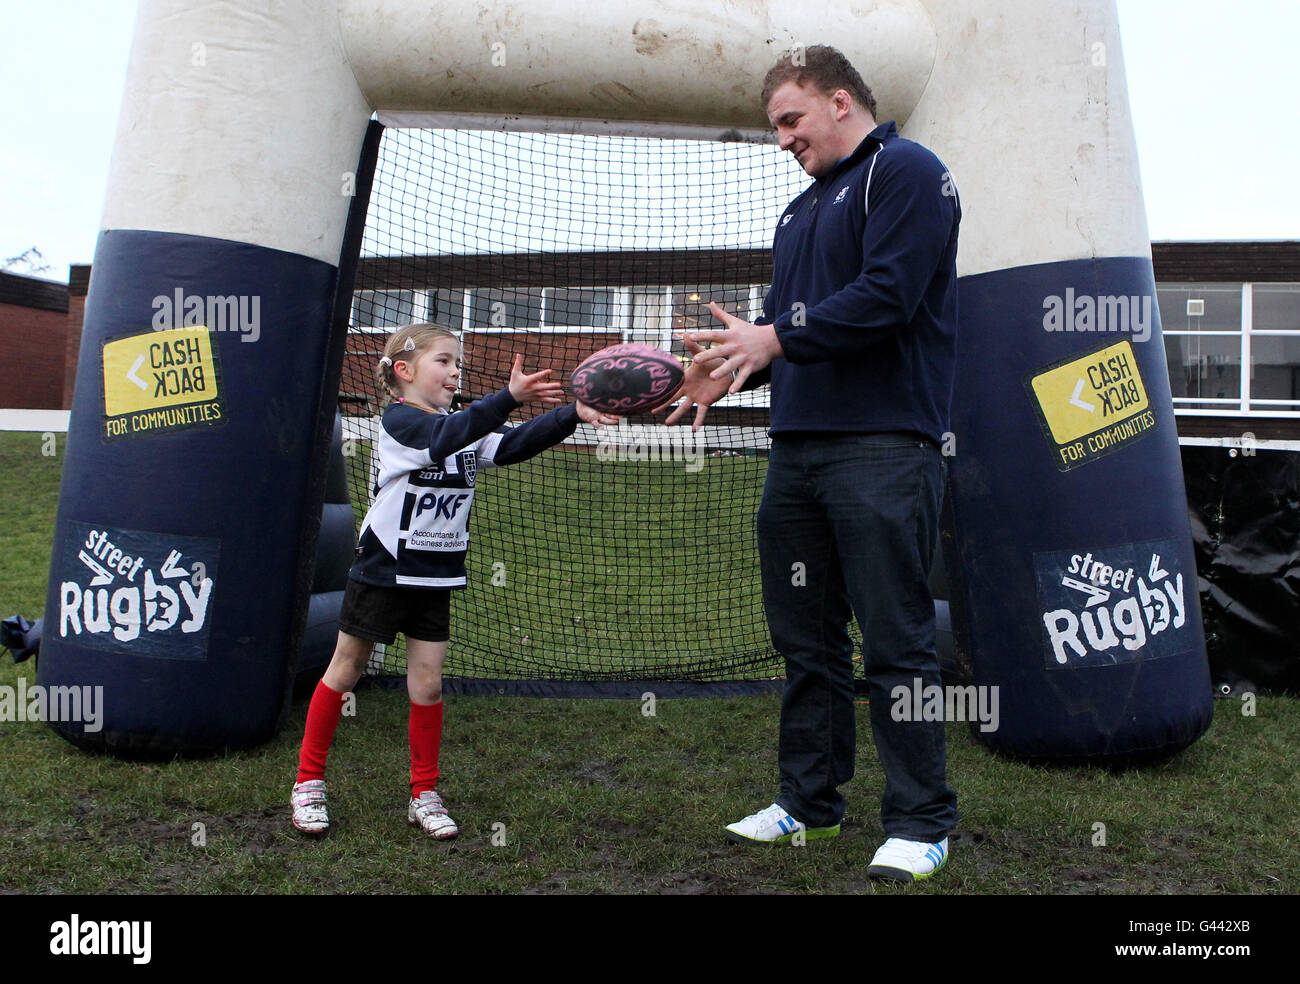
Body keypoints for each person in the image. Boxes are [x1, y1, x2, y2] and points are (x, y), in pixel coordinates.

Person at [663, 45, 961, 881]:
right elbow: (780, 329)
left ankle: (921, 819)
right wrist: (726, 366)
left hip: (883, 446)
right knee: (806, 638)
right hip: (797, 453)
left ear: (840, 102)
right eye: (775, 128)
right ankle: (810, 804)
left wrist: (775, 338)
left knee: (898, 642)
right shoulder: (798, 213)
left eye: (791, 120)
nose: (784, 139)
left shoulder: (905, 171)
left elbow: (887, 295)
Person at [291, 323, 618, 839]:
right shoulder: (402, 423)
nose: (455, 370)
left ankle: (424, 792)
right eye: (443, 361)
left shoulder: (458, 427)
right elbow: (444, 437)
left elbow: (510, 446)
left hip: (435, 573)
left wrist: (570, 415)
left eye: (456, 363)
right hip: (383, 569)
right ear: (405, 370)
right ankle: (309, 781)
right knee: (345, 669)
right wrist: (507, 396)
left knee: (428, 684)